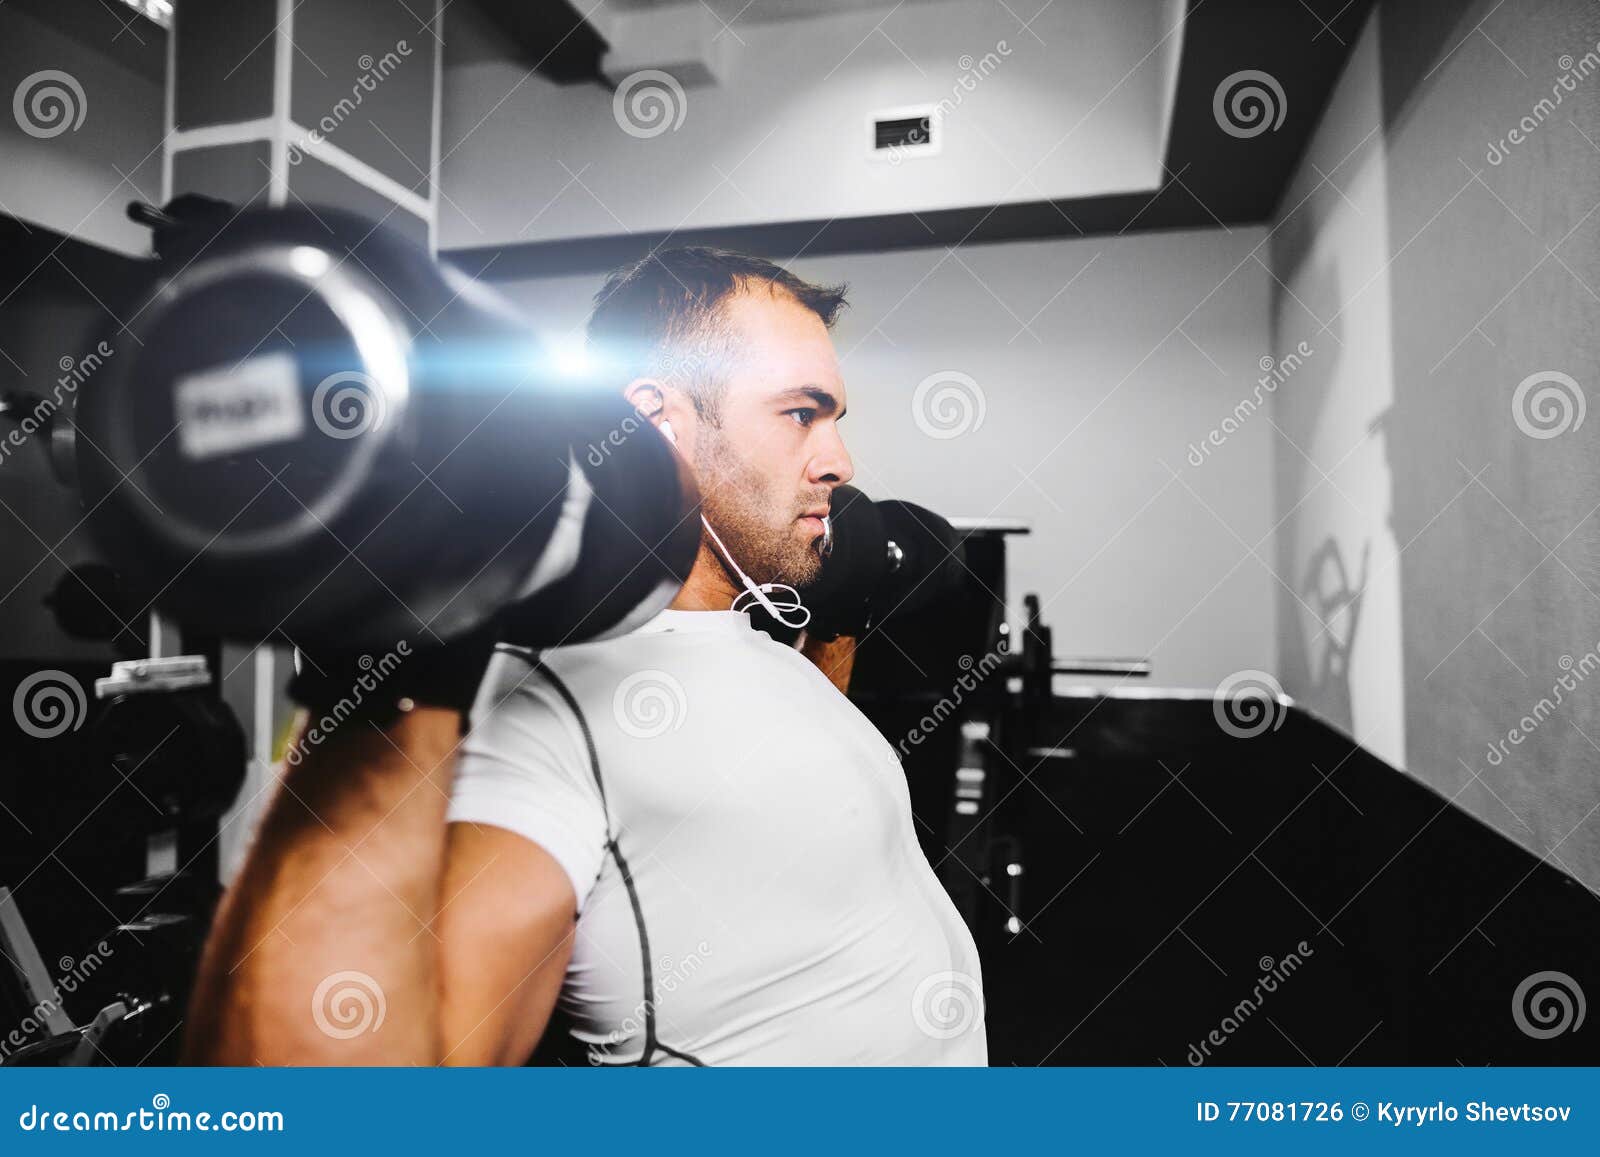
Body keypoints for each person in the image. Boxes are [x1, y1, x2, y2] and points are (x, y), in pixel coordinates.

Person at [182, 247, 986, 1066]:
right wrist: (388, 656)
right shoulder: (547, 702)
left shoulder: (757, 631)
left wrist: (836, 616)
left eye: (836, 418)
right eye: (800, 414)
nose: (839, 462)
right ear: (655, 418)